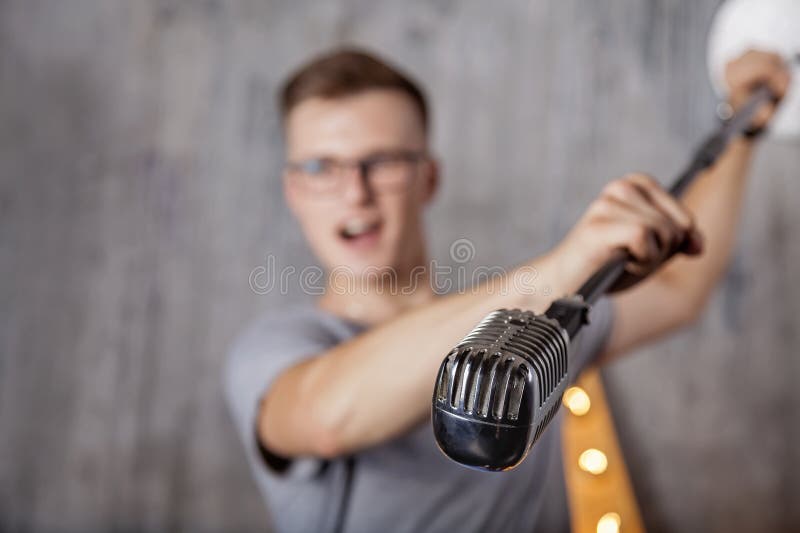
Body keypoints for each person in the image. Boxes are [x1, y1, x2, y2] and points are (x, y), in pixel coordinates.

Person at [224, 47, 790, 532]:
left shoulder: (536, 336)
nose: (355, 193)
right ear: (294, 190)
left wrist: (740, 126)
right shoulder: (276, 348)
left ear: (429, 179)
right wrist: (560, 268)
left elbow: (681, 286)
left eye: (383, 162)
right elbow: (327, 416)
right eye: (323, 167)